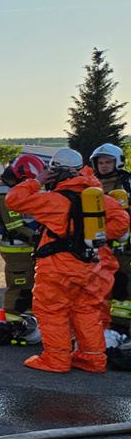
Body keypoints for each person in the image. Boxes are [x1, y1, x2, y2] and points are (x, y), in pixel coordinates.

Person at [7, 148, 130, 373]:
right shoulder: (98, 198)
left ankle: (56, 359)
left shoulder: (54, 201)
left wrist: (36, 180)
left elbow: (13, 200)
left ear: (56, 173)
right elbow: (122, 221)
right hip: (90, 265)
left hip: (57, 267)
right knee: (87, 310)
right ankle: (92, 359)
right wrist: (92, 237)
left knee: (52, 310)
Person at [0, 155, 44, 323]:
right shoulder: (3, 195)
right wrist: (40, 240)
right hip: (16, 248)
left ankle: (27, 320)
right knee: (18, 286)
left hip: (26, 247)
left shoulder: (15, 188)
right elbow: (15, 228)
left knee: (29, 286)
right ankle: (13, 323)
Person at [90, 143, 131, 335]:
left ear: (118, 162)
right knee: (98, 285)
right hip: (97, 243)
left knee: (121, 283)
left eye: (108, 162)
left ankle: (120, 326)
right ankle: (99, 324)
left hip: (122, 244)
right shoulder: (90, 182)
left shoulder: (126, 182)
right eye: (101, 162)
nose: (104, 165)